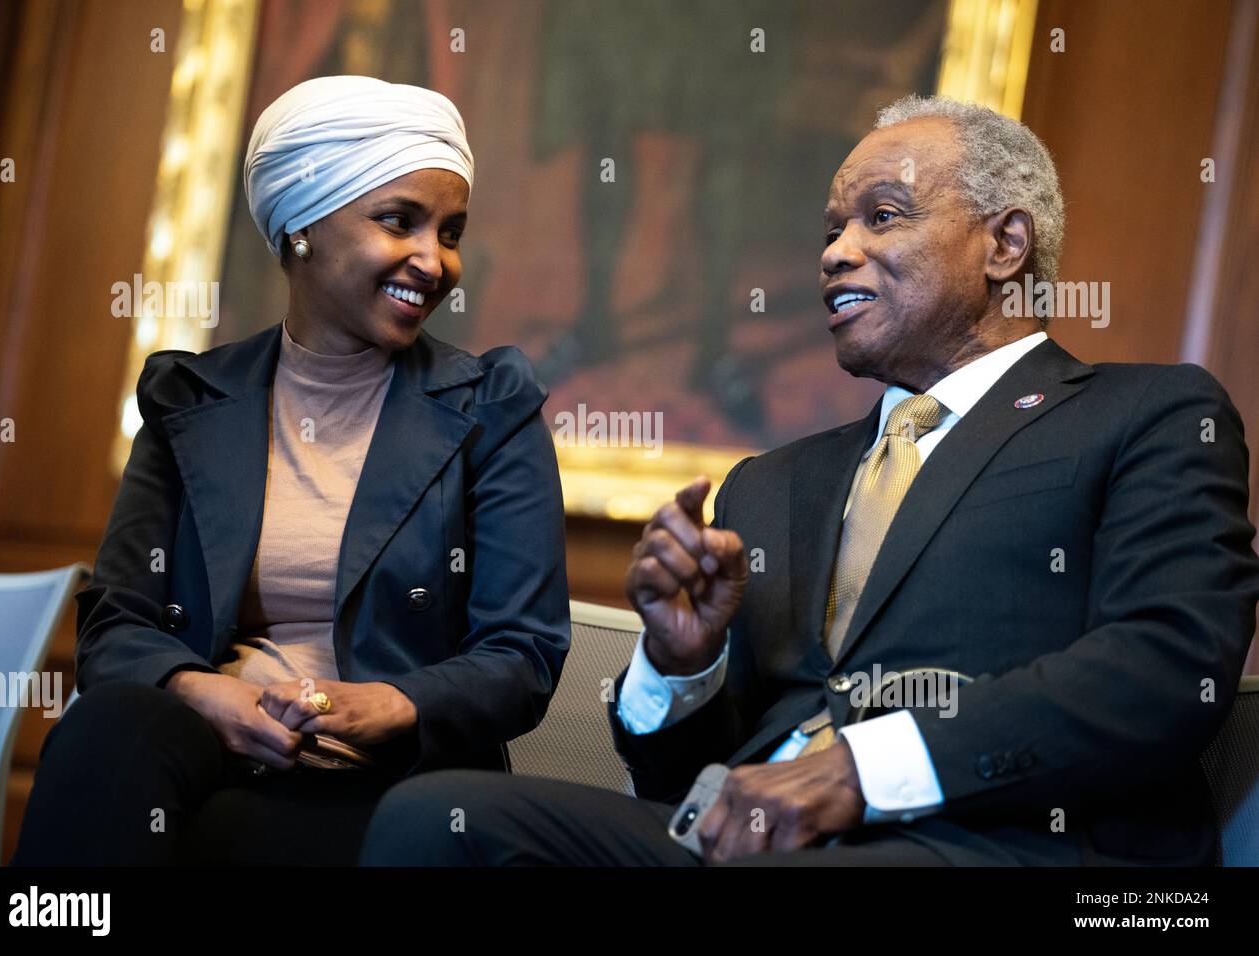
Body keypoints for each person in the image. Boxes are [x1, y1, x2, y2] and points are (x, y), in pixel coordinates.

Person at [361, 95, 1259, 867]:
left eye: (882, 216)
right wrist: (684, 663)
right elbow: (681, 780)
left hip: (1005, 845)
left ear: (1006, 245)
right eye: (831, 231)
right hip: (758, 847)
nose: (835, 253)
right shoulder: (768, 485)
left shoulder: (1147, 416)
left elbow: (1171, 668)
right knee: (440, 823)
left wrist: (861, 772)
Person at [13, 76, 570, 866]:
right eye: (398, 221)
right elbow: (117, 626)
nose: (434, 260)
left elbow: (522, 653)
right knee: (107, 732)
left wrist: (390, 702)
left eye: (449, 232)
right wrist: (206, 693)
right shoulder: (189, 400)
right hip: (200, 753)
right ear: (303, 226)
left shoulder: (492, 409)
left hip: (392, 785)